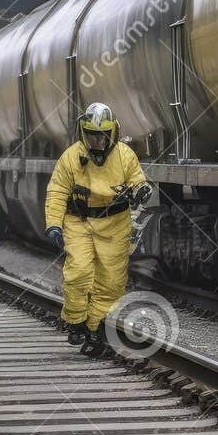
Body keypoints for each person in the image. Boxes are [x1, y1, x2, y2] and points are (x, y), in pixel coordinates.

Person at [44, 102, 151, 356]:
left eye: (101, 136)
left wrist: (141, 190)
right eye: (91, 135)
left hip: (114, 224)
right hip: (78, 221)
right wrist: (53, 225)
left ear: (111, 133)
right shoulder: (71, 156)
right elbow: (57, 191)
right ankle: (76, 319)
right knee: (78, 271)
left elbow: (137, 179)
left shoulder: (124, 155)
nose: (96, 141)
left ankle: (94, 328)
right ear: (83, 133)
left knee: (111, 282)